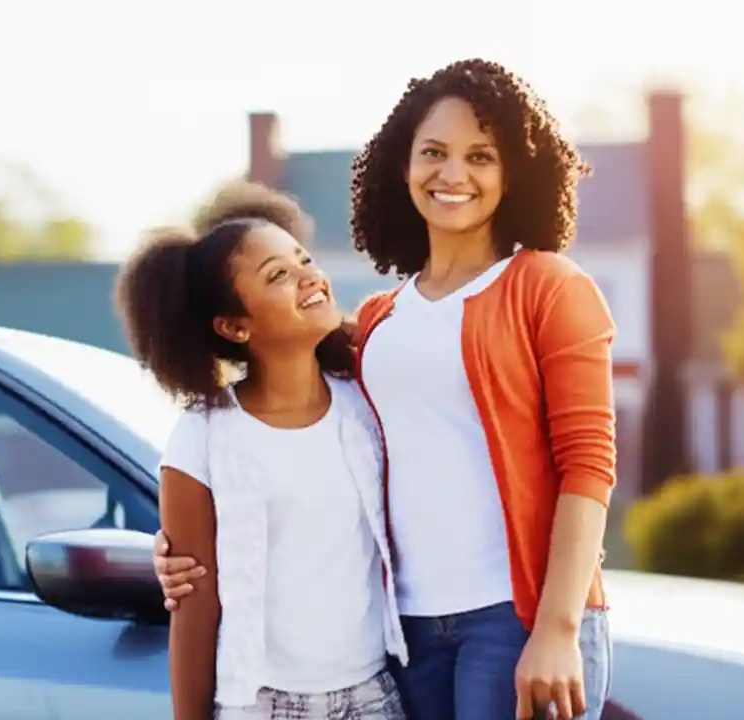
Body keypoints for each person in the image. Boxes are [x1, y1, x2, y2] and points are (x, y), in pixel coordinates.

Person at [153, 59, 616, 720]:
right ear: (404, 166)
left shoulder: (547, 287)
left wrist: (559, 627)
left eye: (480, 156)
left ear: (512, 171)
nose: (453, 174)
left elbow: (588, 464)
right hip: (406, 638)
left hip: (517, 619)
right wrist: (184, 542)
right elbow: (288, 423)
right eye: (434, 152)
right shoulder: (373, 324)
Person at [115, 182, 408, 720]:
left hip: (374, 694)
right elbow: (194, 606)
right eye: (277, 275)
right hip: (261, 705)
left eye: (303, 260)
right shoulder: (203, 437)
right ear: (233, 325)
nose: (309, 277)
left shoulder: (367, 403)